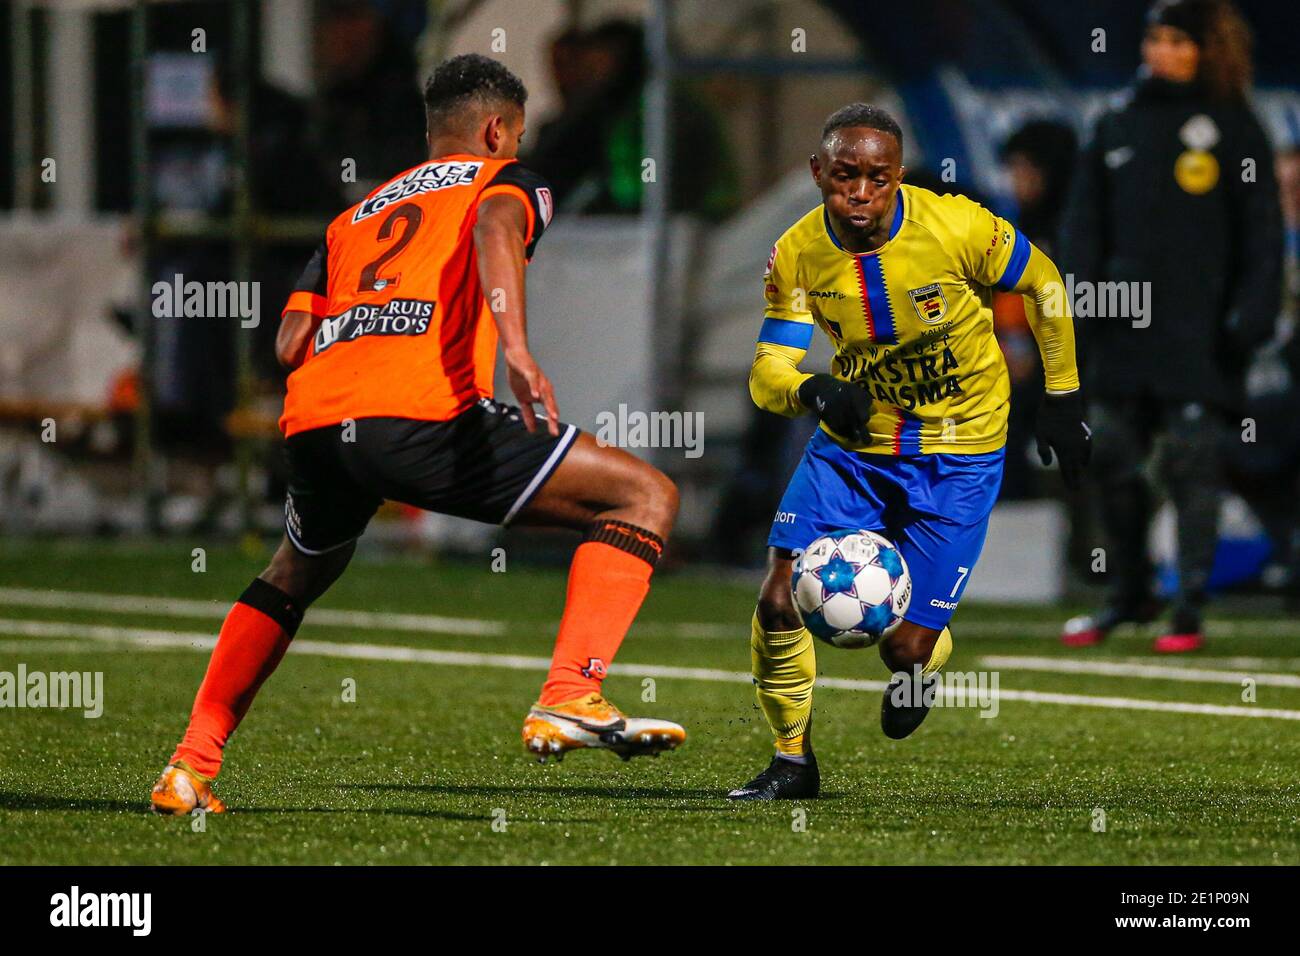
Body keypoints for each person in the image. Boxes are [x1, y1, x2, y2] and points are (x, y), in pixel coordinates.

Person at [151, 54, 684, 815]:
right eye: (516, 135)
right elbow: (496, 229)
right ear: (498, 130)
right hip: (421, 418)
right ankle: (571, 691)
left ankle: (189, 766)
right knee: (644, 497)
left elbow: (290, 340)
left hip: (317, 422)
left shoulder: (355, 214)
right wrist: (518, 346)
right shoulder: (508, 181)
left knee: (290, 577)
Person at [727, 104, 1088, 800]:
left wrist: (1064, 398)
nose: (860, 193)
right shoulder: (798, 253)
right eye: (844, 177)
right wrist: (816, 392)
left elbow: (1044, 282)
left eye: (876, 178)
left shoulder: (955, 225)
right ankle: (792, 762)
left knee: (904, 645)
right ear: (817, 173)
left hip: (962, 448)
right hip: (856, 447)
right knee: (777, 598)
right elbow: (768, 372)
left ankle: (917, 668)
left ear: (895, 178)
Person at [1059, 0, 1282, 653]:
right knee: (1108, 452)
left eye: (1178, 40)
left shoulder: (1236, 130)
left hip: (1201, 332)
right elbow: (1082, 230)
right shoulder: (1116, 125)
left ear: (1207, 49)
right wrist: (1082, 303)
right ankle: (1129, 592)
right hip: (1120, 326)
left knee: (1192, 462)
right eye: (1155, 38)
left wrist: (1252, 315)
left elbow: (1262, 234)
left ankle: (1188, 605)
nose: (1162, 50)